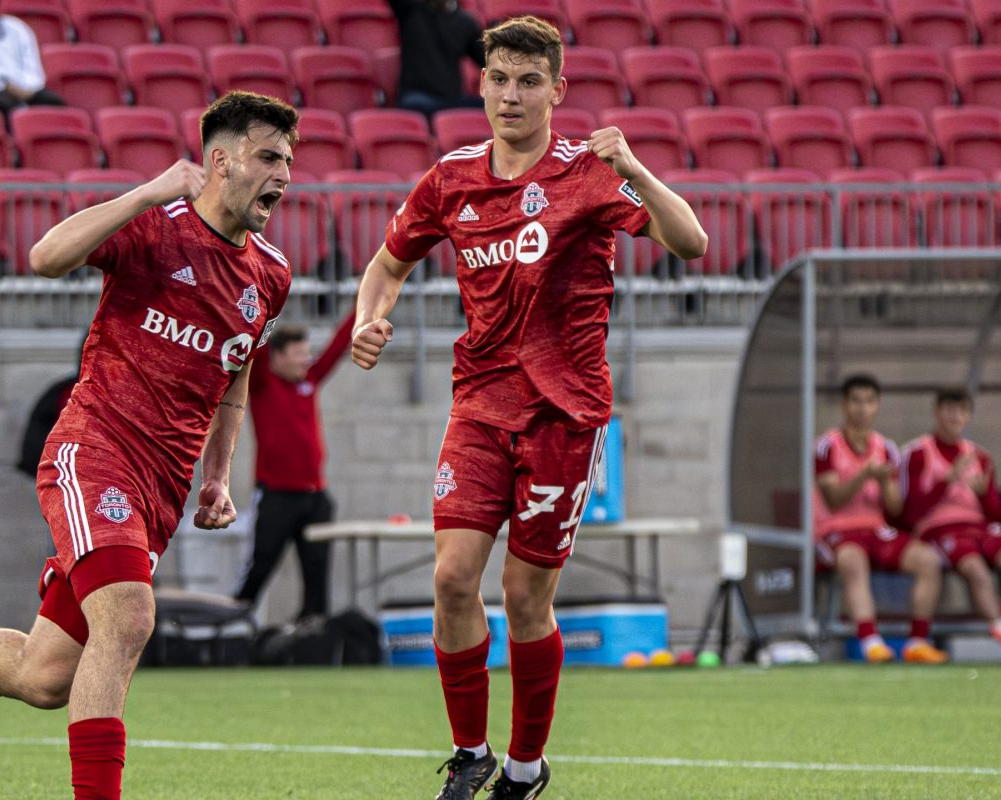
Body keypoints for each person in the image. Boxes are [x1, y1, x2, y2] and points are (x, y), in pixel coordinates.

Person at [0, 91, 299, 800]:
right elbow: (45, 256)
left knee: (45, 677)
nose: (285, 174)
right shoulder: (158, 229)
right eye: (270, 157)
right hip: (93, 451)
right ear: (221, 162)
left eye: (290, 159)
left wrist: (218, 474)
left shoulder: (270, 274)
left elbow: (235, 368)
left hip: (162, 490)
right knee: (129, 616)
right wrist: (154, 188)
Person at [351, 16, 707, 799]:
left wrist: (637, 168)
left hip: (564, 415)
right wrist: (369, 318)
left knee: (524, 598)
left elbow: (693, 242)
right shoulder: (450, 178)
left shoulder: (588, 174)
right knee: (451, 580)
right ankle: (470, 751)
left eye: (528, 81)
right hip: (478, 405)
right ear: (479, 82)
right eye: (499, 79)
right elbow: (385, 265)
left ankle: (525, 765)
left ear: (557, 90)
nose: (511, 95)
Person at [813, 375, 948, 664]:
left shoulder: (885, 448)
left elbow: (894, 508)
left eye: (869, 401)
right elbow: (833, 499)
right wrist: (864, 475)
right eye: (856, 401)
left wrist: (886, 483)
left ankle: (918, 642)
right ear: (845, 405)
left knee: (928, 560)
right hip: (836, 530)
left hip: (876, 529)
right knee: (852, 560)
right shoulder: (827, 446)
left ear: (877, 406)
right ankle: (871, 642)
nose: (862, 408)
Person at [234, 307, 357, 621]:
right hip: (277, 498)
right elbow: (255, 348)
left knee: (317, 575)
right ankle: (233, 627)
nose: (306, 360)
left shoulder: (310, 381)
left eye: (307, 353)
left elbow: (337, 347)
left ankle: (313, 637)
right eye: (299, 353)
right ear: (279, 356)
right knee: (259, 567)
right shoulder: (262, 382)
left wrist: (364, 303)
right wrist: (263, 307)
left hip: (315, 499)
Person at [901, 387, 1001, 645]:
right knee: (975, 569)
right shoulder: (918, 453)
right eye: (949, 409)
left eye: (961, 411)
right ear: (937, 413)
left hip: (979, 528)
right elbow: (910, 513)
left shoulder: (979, 457)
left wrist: (984, 495)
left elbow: (996, 514)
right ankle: (999, 626)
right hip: (941, 530)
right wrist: (945, 481)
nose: (955, 416)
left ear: (968, 417)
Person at [389, 0, 486, 117]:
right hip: (417, 98)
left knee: (494, 107)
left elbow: (490, 61)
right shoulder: (412, 10)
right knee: (417, 108)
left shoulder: (465, 22)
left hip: (453, 100)